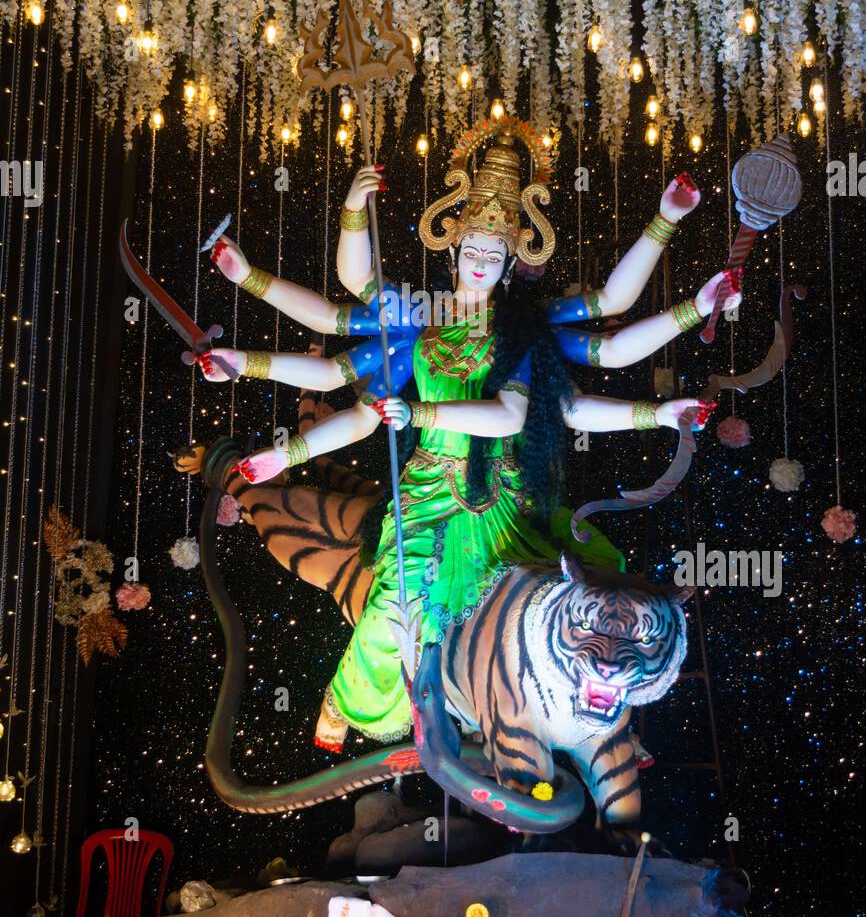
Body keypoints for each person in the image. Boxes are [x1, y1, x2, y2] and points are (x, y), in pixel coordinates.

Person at [201, 117, 739, 749]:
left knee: (568, 595)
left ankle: (568, 723)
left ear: (512, 262)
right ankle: (352, 702)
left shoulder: (522, 330)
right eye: (472, 252)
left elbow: (608, 342)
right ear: (453, 250)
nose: (481, 264)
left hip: (503, 498)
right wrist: (272, 422)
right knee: (391, 609)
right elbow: (337, 333)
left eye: (495, 256)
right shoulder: (420, 322)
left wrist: (669, 233)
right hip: (428, 491)